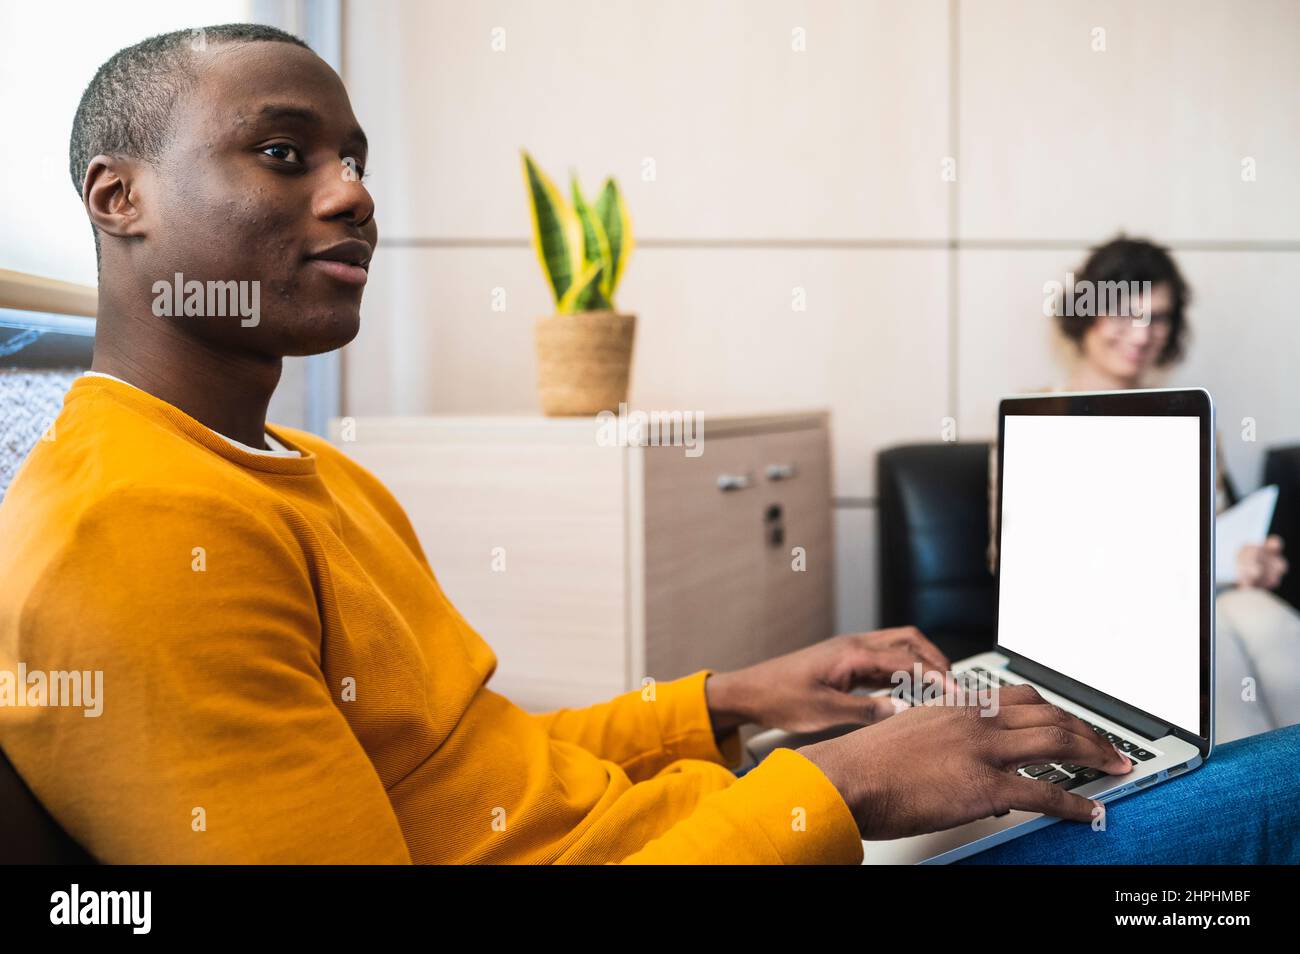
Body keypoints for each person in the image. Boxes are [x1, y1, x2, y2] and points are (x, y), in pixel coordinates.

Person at [0, 27, 1292, 865]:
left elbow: (484, 765)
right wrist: (842, 794)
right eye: (286, 153)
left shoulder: (305, 470)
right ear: (120, 199)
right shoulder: (140, 528)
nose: (352, 191)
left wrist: (735, 701)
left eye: (353, 156)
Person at [989, 237, 1300, 745]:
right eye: (1122, 313)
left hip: (1198, 600)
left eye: (1157, 317)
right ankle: (1244, 797)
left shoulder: (1188, 416)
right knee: (1209, 643)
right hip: (1096, 616)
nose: (1142, 333)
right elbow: (1017, 563)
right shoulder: (1036, 420)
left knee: (1269, 622)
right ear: (1085, 312)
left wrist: (1246, 558)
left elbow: (1213, 531)